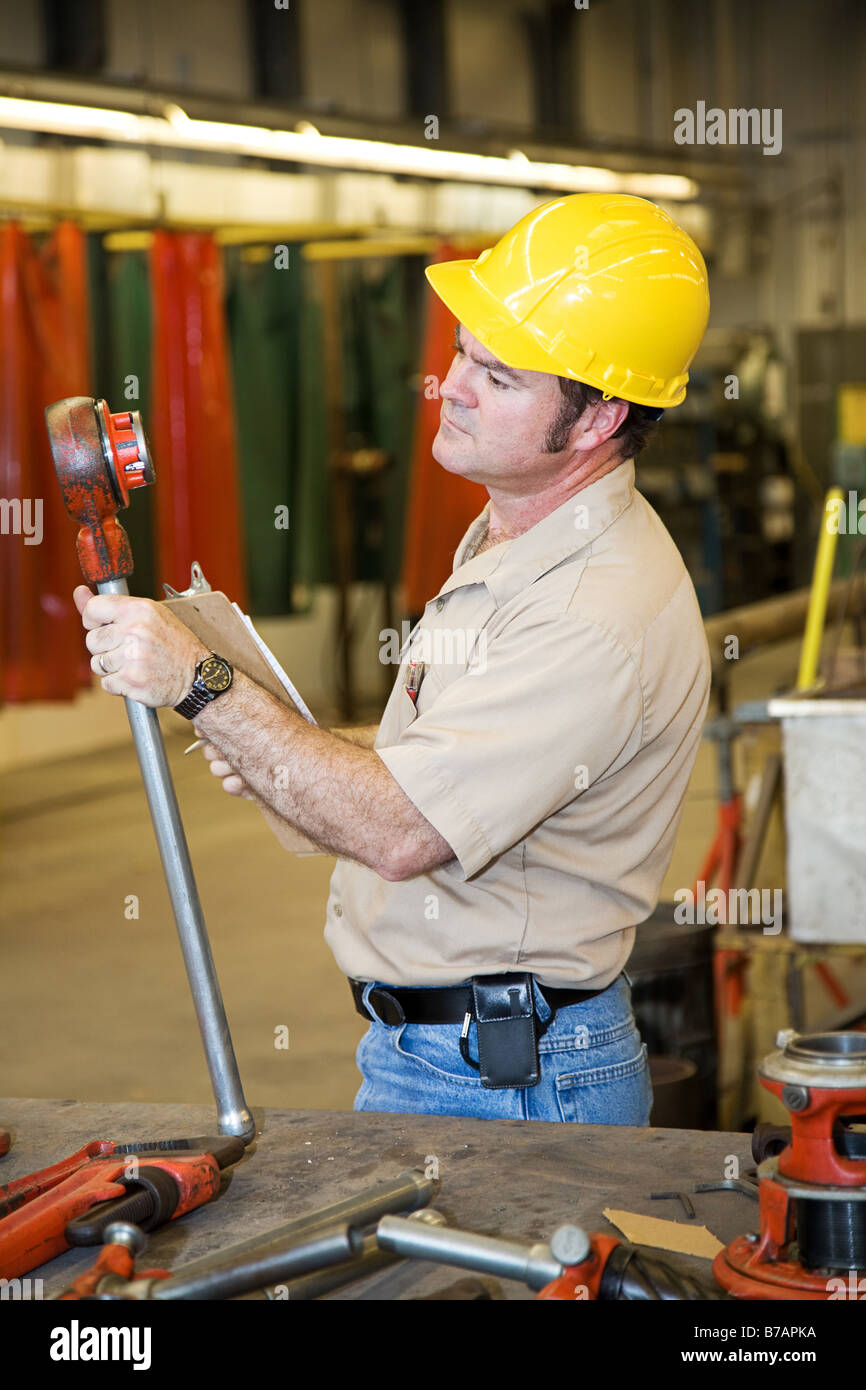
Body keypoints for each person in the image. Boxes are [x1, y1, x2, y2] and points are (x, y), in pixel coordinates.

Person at [74, 192, 711, 1126]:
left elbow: (404, 831)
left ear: (597, 420)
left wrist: (201, 683)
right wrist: (285, 748)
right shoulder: (513, 538)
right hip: (452, 1054)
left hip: (512, 1081)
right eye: (461, 352)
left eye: (498, 378)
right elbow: (449, 759)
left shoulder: (590, 612)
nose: (448, 386)